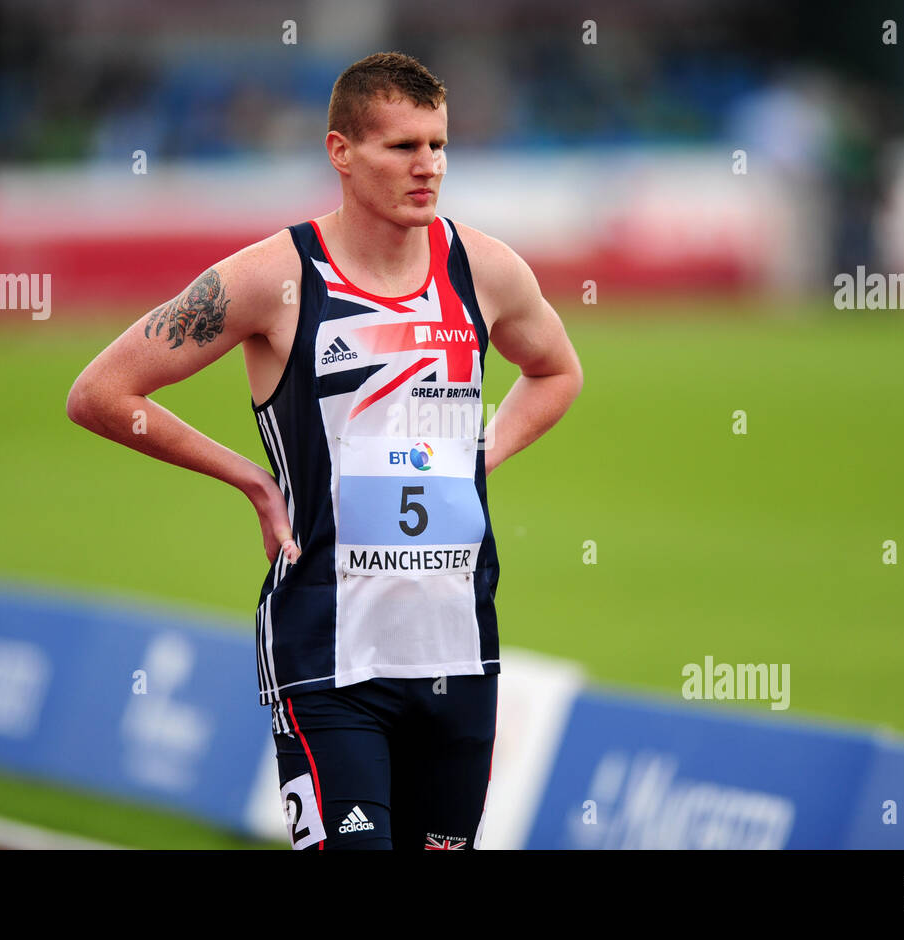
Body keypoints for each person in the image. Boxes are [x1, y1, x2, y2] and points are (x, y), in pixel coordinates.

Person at [66, 51, 582, 849]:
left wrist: (474, 460)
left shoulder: (481, 269)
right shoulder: (276, 278)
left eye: (438, 146)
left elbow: (555, 372)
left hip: (458, 653)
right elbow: (101, 393)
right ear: (341, 151)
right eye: (402, 147)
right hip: (327, 659)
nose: (428, 167)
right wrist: (248, 477)